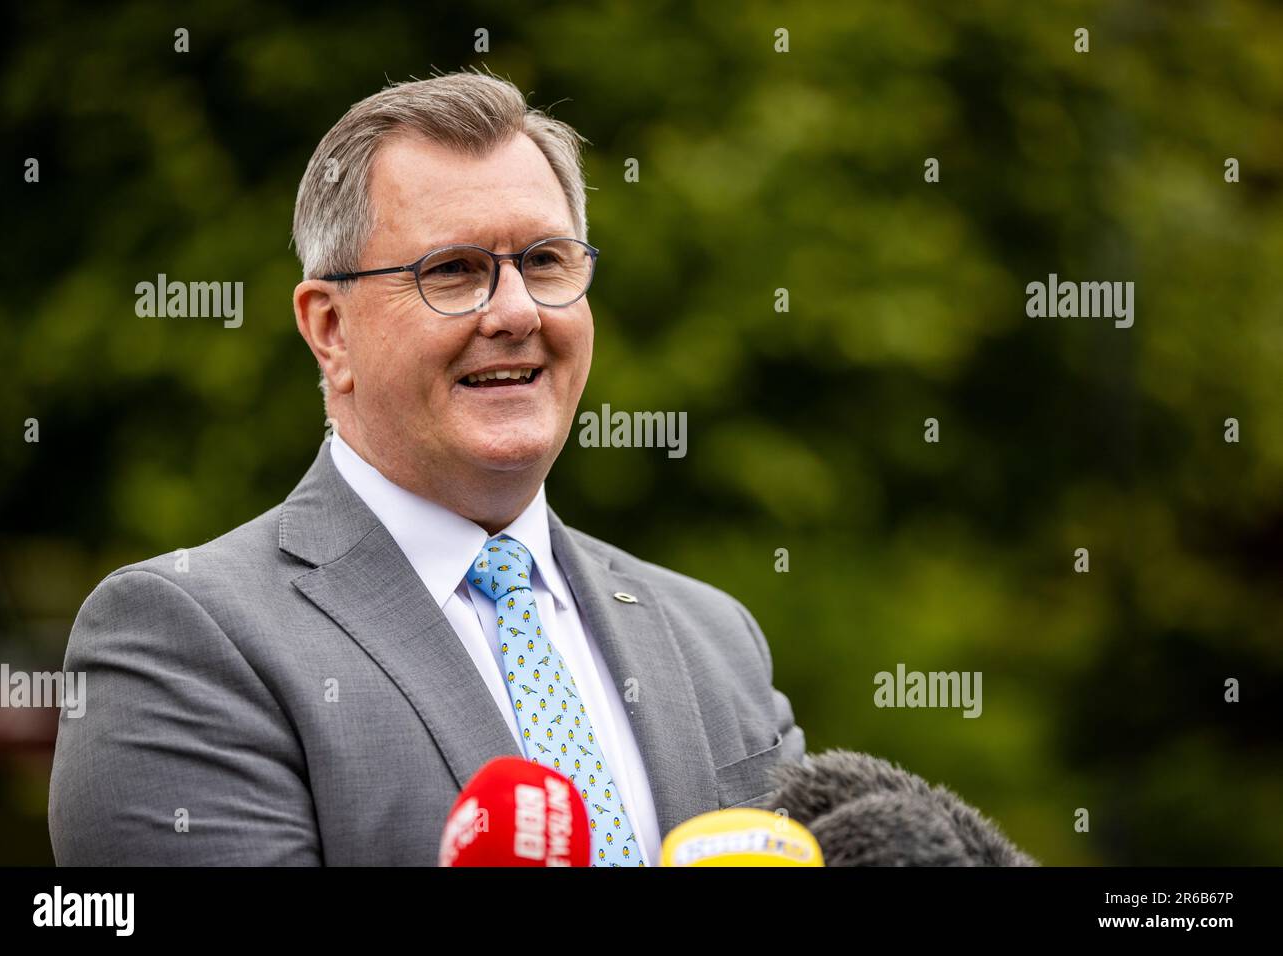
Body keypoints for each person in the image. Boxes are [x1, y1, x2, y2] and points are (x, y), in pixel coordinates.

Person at [48, 70, 806, 866]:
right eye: (451, 271)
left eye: (545, 261)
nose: (515, 312)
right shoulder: (180, 640)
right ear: (330, 328)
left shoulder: (714, 637)